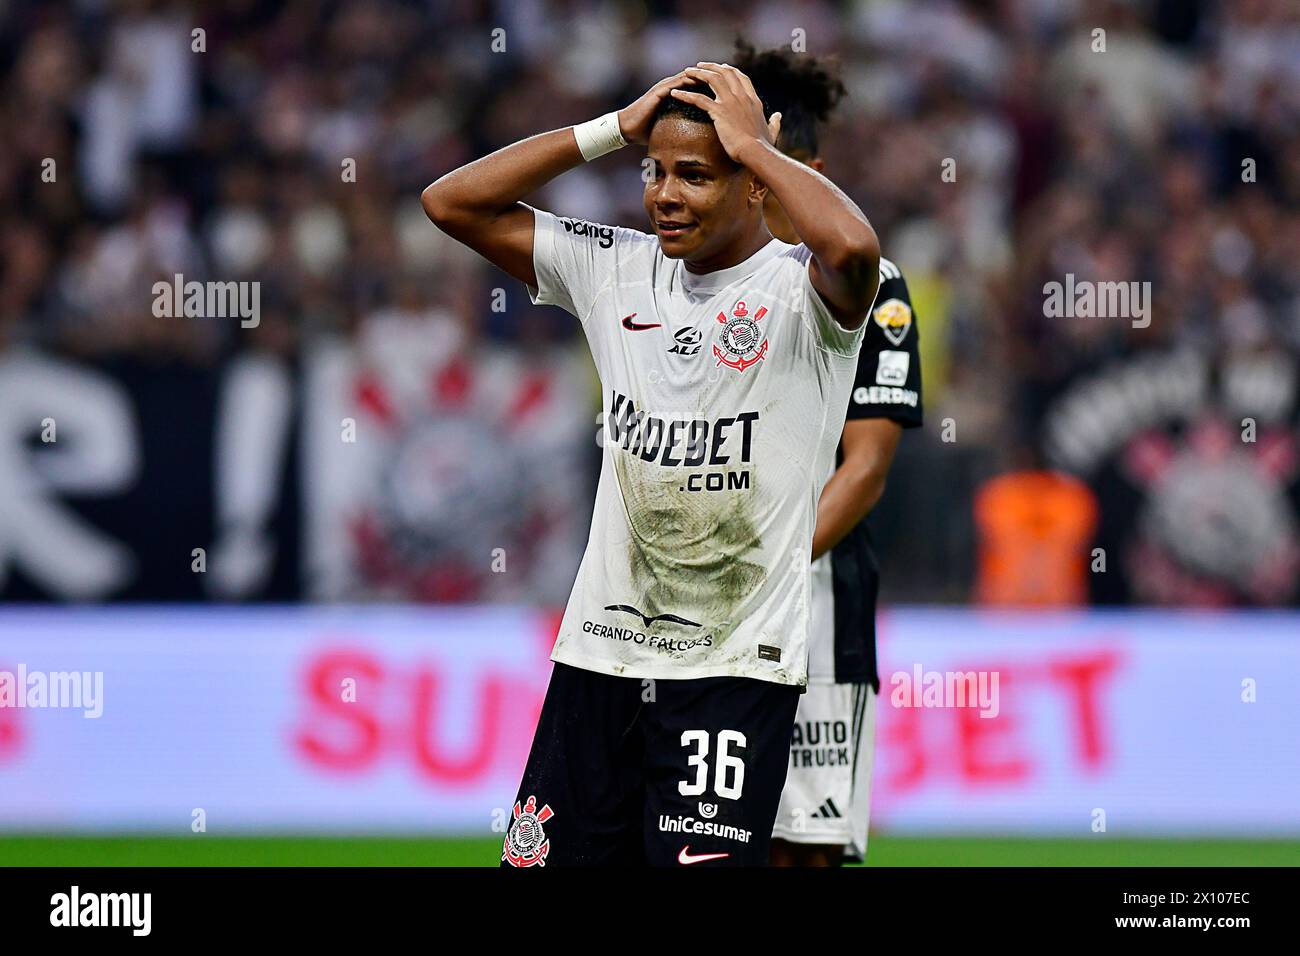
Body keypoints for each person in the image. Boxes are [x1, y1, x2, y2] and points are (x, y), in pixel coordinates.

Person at [422, 61, 881, 866]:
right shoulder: (617, 268)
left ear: (755, 188)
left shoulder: (802, 295)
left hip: (734, 670)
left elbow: (853, 246)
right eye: (655, 172)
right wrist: (611, 130)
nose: (665, 195)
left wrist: (755, 145)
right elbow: (450, 203)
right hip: (599, 658)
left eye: (696, 176)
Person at [731, 42, 924, 867]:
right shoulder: (678, 275)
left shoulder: (874, 290)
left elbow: (867, 466)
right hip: (685, 607)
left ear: (808, 169)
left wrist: (761, 568)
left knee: (802, 848)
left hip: (812, 606)